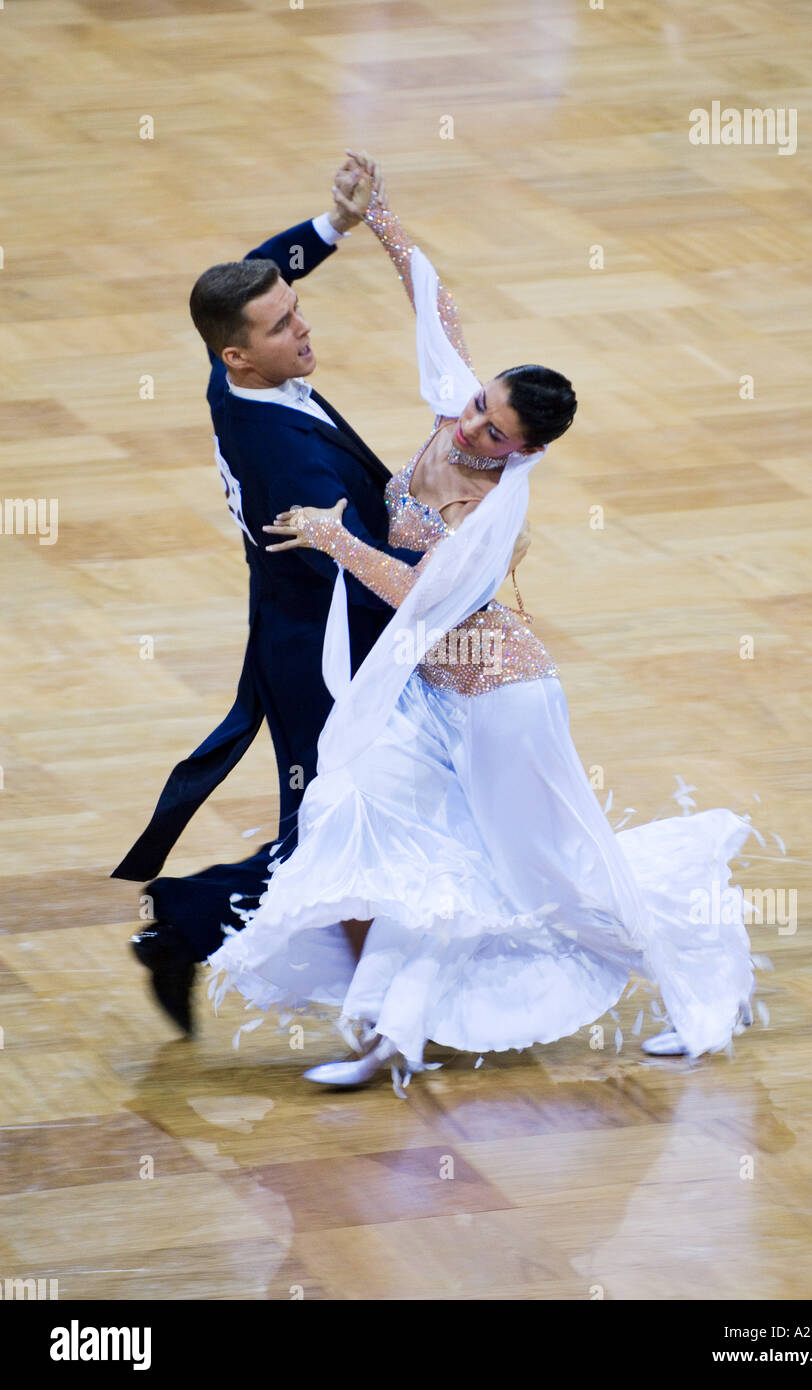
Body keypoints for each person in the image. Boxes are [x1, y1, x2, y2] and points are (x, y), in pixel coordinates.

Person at [205, 156, 757, 1094]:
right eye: (477, 407)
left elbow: (417, 598)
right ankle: (386, 1035)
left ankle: (701, 979)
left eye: (497, 434)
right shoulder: (454, 411)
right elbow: (433, 303)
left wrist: (335, 537)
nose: (470, 431)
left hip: (504, 702)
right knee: (420, 855)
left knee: (550, 880)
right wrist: (373, 217)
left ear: (527, 453)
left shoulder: (487, 517)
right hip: (437, 702)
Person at [112, 157, 531, 1035]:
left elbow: (255, 274)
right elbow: (371, 573)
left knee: (352, 816)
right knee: (326, 831)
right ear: (239, 352)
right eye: (281, 326)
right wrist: (456, 568)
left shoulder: (233, 374)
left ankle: (396, 982)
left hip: (297, 624)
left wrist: (330, 228)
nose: (302, 328)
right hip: (324, 654)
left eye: (296, 309)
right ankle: (188, 926)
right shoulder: (288, 465)